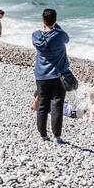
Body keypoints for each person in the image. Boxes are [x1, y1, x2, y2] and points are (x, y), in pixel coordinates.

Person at [32, 8, 71, 142]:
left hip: (42, 75)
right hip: (58, 75)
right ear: (55, 21)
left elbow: (43, 34)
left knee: (42, 104)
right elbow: (67, 37)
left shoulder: (36, 36)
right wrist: (56, 26)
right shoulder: (60, 35)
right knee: (57, 105)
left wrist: (48, 26)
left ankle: (43, 135)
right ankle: (57, 136)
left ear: (43, 20)